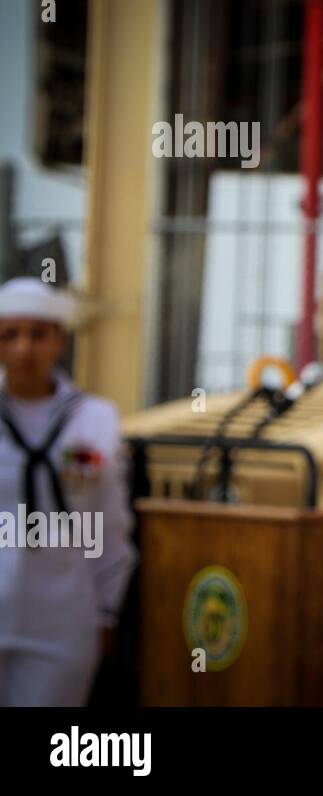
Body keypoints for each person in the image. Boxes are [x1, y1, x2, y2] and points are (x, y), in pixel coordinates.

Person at [0, 278, 135, 706]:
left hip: (62, 615)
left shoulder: (94, 419)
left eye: (37, 334)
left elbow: (110, 522)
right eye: (10, 335)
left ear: (58, 340)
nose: (24, 349)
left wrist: (107, 609)